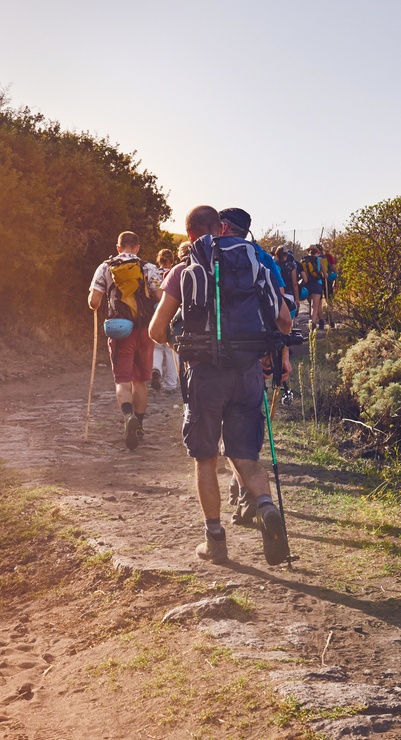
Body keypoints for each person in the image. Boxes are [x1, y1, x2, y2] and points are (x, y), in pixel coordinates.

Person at [148, 205, 292, 566]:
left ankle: (216, 541)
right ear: (221, 227)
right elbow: (285, 322)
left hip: (205, 375)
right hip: (247, 374)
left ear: (191, 235)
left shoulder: (184, 270)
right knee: (244, 456)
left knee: (205, 459)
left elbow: (155, 330)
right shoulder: (255, 264)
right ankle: (266, 506)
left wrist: (181, 344)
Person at [89, 231, 163, 449]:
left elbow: (94, 302)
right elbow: (160, 297)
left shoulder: (105, 267)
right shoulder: (149, 268)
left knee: (122, 380)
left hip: (120, 330)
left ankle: (128, 415)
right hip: (144, 330)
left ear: (118, 247)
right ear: (137, 248)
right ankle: (138, 425)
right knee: (139, 380)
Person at [151, 249, 180, 393]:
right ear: (172, 260)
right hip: (171, 311)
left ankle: (155, 368)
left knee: (156, 346)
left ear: (159, 259)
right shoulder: (175, 273)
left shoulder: (153, 273)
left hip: (155, 311)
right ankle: (170, 384)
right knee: (171, 349)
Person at [300, 244, 326, 331]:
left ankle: (311, 322)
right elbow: (325, 274)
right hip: (317, 284)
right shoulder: (320, 259)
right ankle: (313, 323)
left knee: (310, 305)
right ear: (317, 252)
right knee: (315, 306)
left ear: (308, 251)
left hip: (307, 285)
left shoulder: (303, 260)